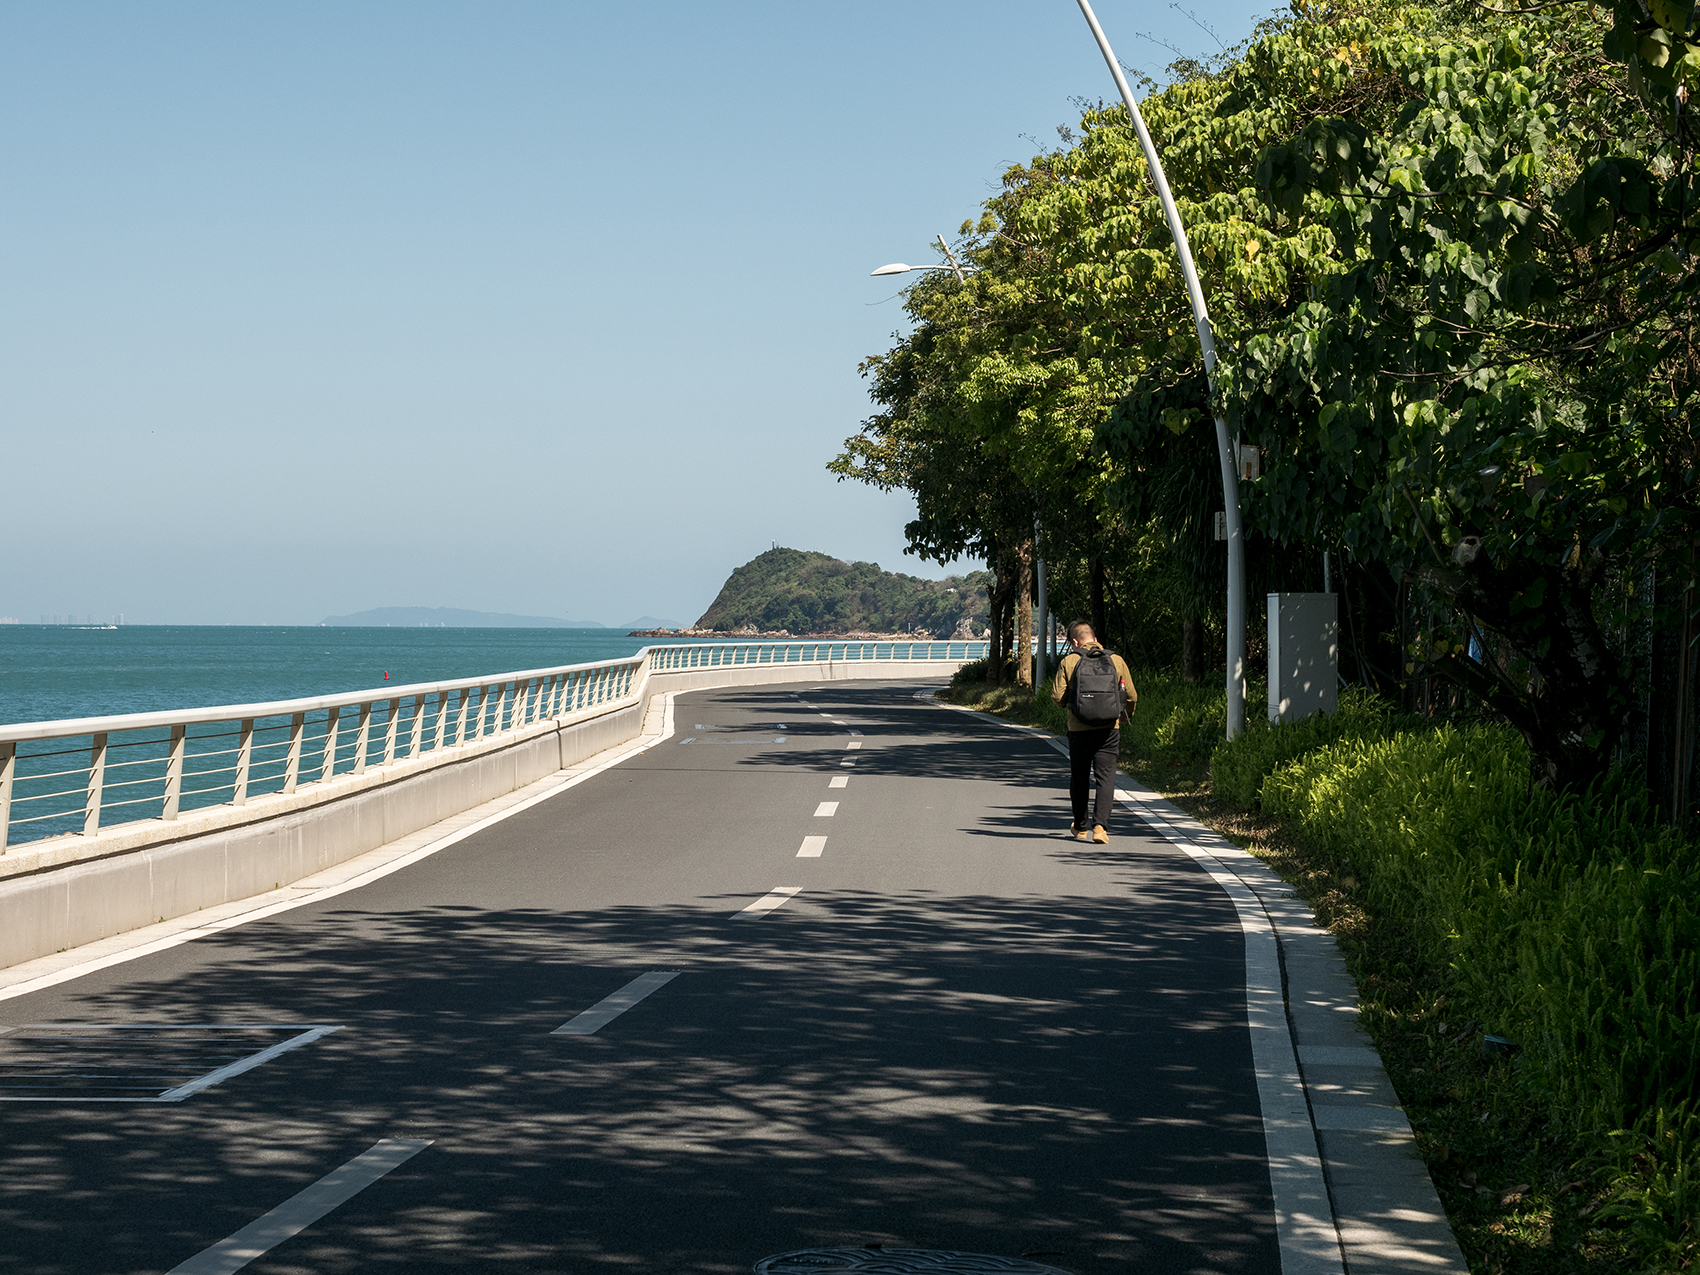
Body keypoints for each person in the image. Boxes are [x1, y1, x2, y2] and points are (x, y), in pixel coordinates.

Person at [1050, 620, 1136, 843]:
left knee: (1079, 777)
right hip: (1109, 728)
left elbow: (1057, 698)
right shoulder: (1116, 660)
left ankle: (1080, 827)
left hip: (1079, 729)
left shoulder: (1070, 661)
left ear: (1075, 642)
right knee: (1105, 777)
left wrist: (1075, 704)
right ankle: (1100, 828)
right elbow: (1131, 696)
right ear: (1095, 639)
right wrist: (1124, 715)